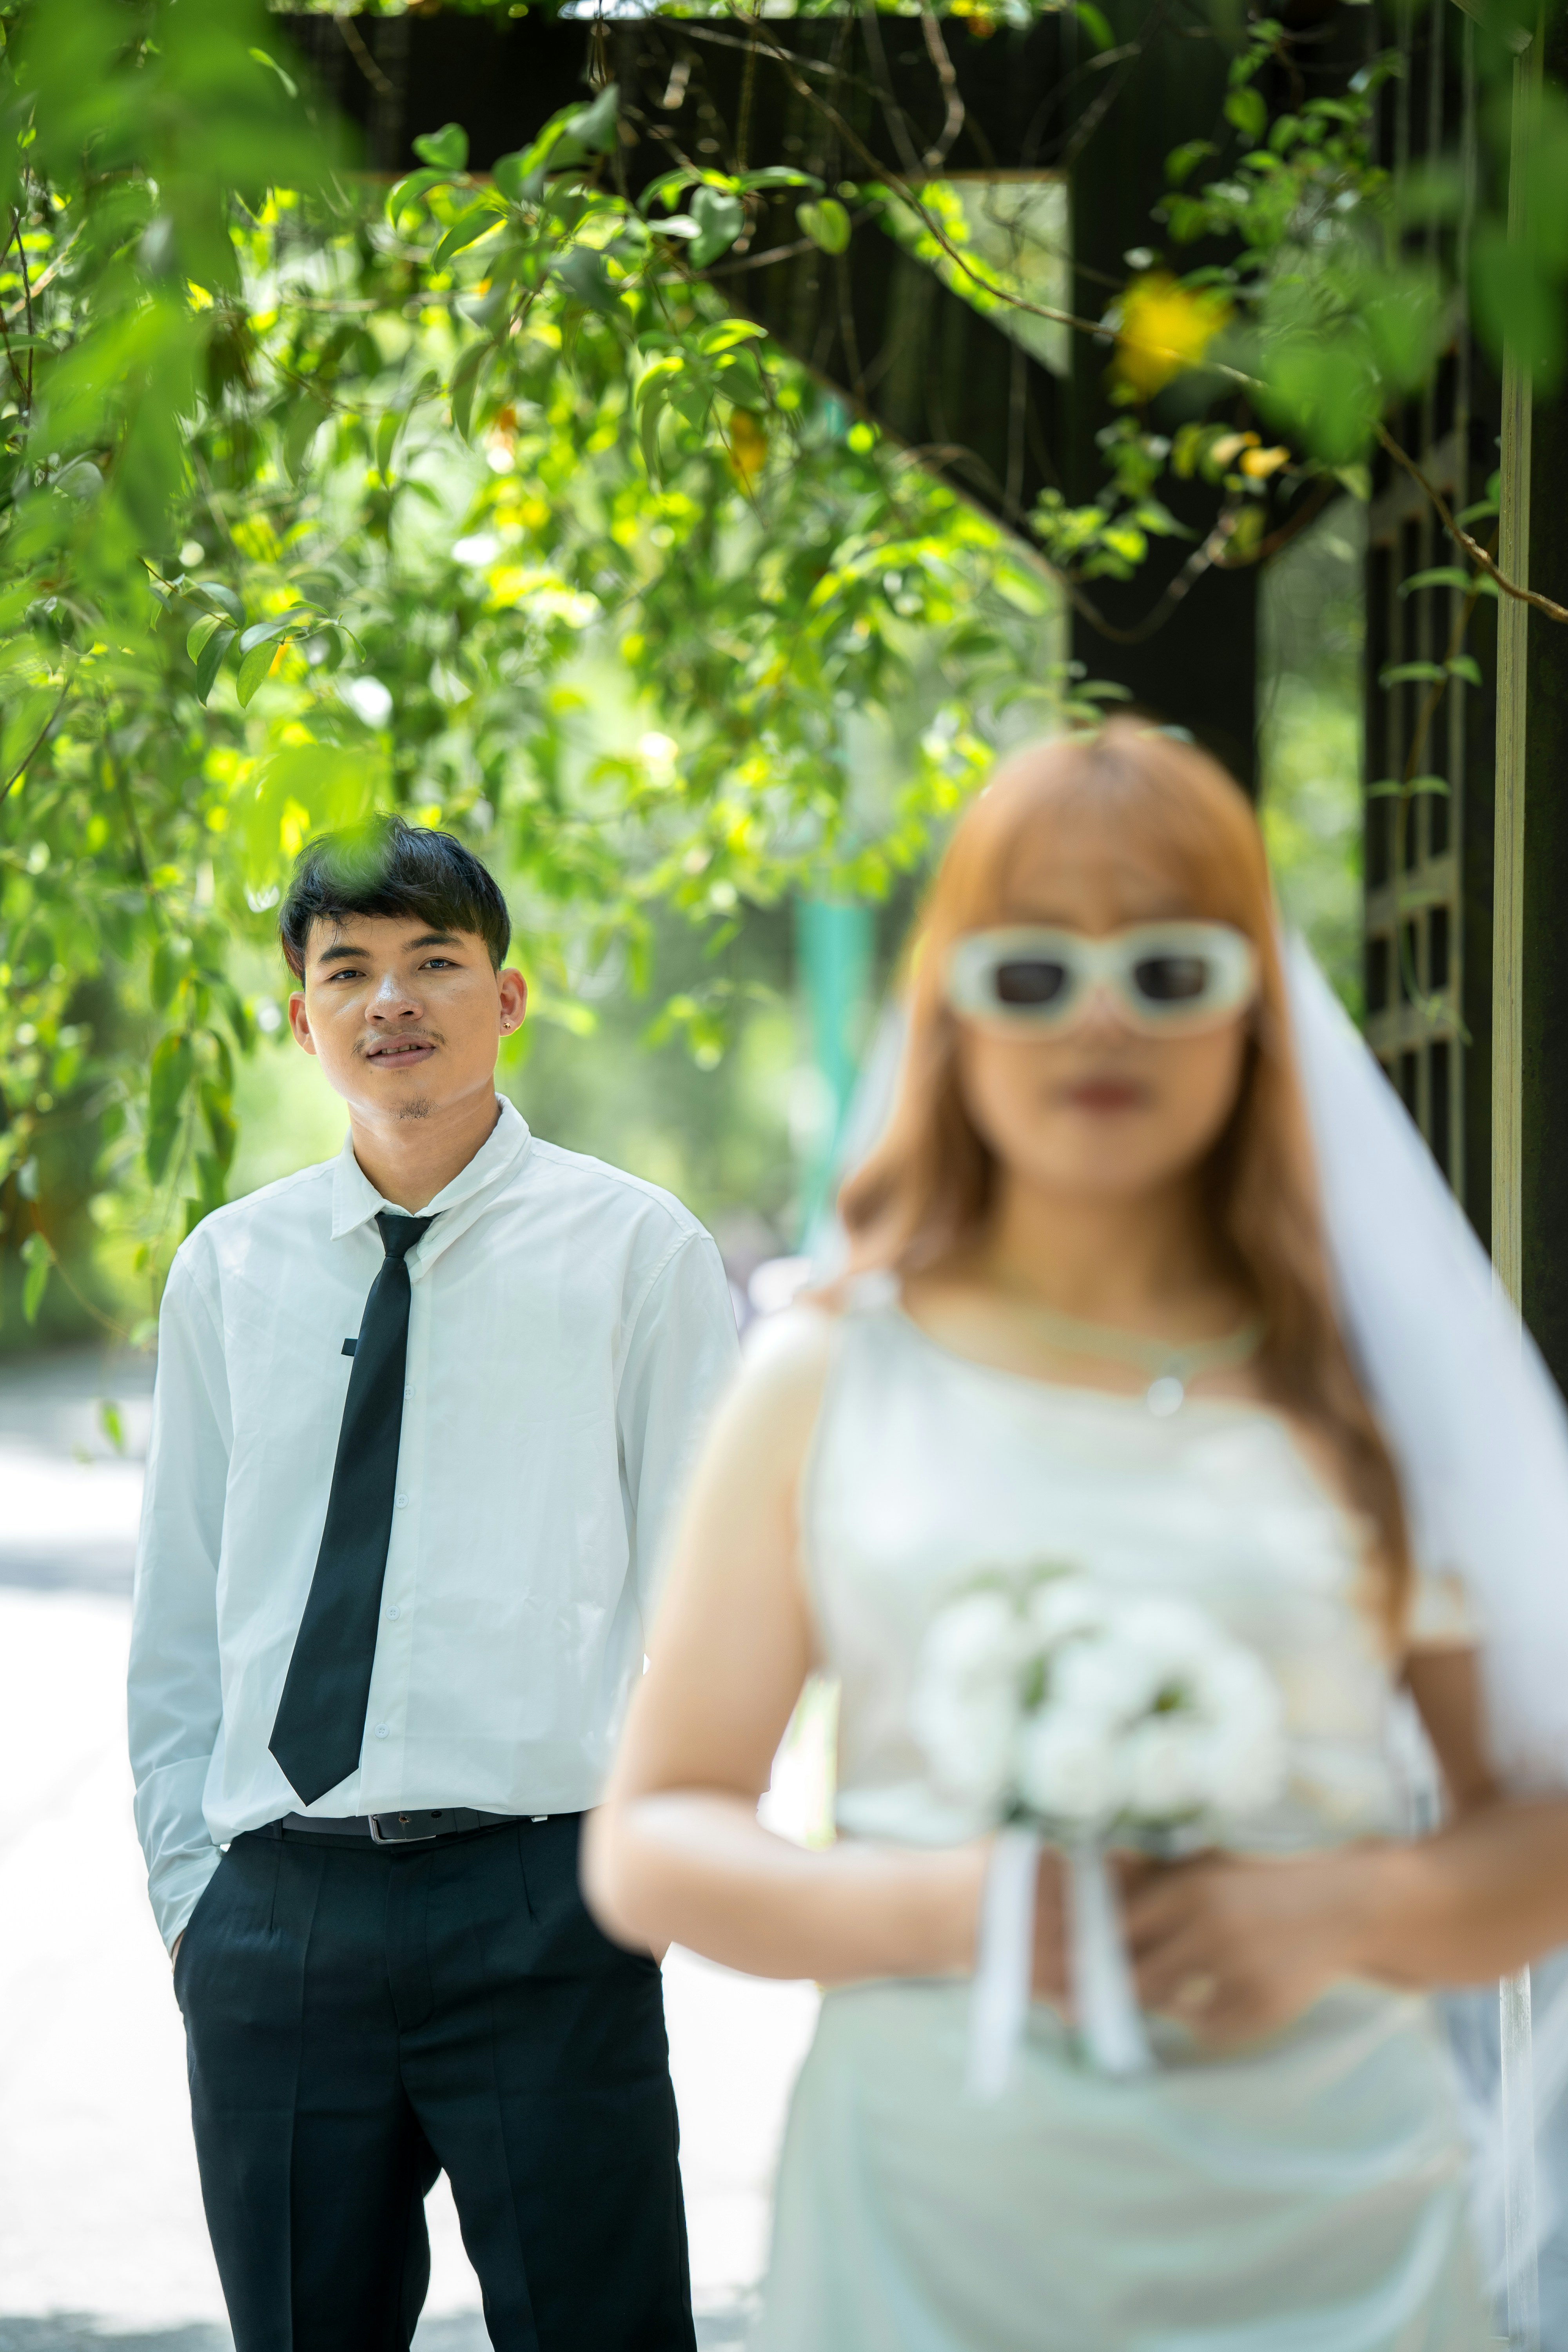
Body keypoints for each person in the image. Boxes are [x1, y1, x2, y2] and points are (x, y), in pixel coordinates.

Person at [583, 722, 1568, 2351]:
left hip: (1333, 2237)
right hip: (934, 2236)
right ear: (951, 1012)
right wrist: (948, 1907)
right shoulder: (825, 1378)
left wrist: (1342, 1912)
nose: (1100, 1014)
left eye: (1168, 967)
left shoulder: (1363, 1396)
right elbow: (654, 1836)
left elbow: (1535, 1834)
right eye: (1031, 971)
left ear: (1254, 1009)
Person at [128, 815, 738, 2352]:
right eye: (349, 971)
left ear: (507, 999)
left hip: (542, 1900)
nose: (389, 1000)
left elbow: (710, 1595)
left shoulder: (632, 1253)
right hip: (278, 1917)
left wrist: (647, 1868)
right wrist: (198, 1906)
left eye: (433, 964)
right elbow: (183, 1612)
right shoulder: (229, 1269)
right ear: (301, 1016)